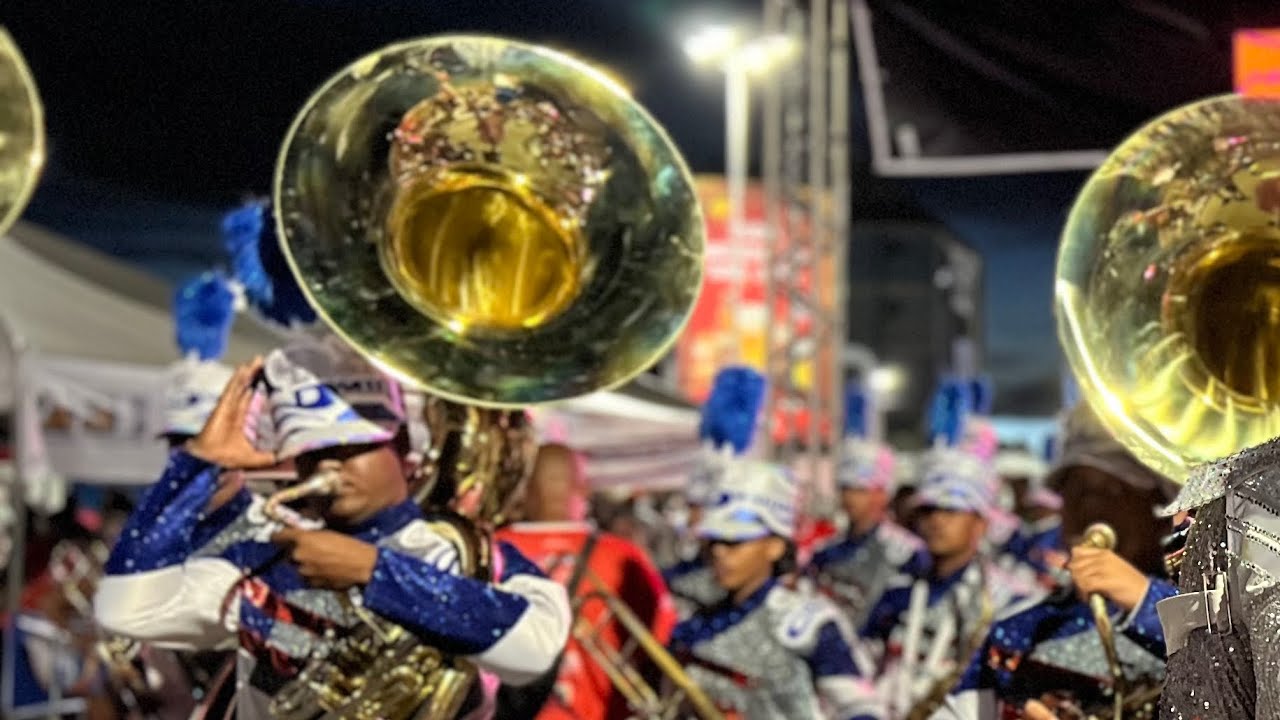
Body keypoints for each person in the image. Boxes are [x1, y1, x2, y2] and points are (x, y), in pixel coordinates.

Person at [93, 338, 571, 719]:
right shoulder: (266, 562)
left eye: (349, 446)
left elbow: (533, 652)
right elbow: (125, 610)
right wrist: (197, 464)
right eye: (313, 452)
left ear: (401, 444)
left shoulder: (474, 555)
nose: (330, 465)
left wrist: (374, 572)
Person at [940, 403, 1179, 718]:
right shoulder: (1017, 632)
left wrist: (1147, 602)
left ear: (1161, 509)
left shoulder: (1211, 616)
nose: (1087, 508)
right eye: (1073, 490)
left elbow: (1247, 674)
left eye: (1112, 490)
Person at [669, 459, 879, 720]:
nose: (719, 552)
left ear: (775, 546)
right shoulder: (695, 624)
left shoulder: (808, 622)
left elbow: (861, 708)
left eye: (734, 542)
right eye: (714, 542)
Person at [497, 443, 677, 720]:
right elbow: (661, 639)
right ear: (584, 490)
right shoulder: (624, 556)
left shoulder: (491, 548)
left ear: (526, 489)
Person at [858, 447, 1040, 719]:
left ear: (980, 522)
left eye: (951, 510)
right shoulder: (899, 589)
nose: (937, 520)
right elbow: (863, 662)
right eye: (928, 510)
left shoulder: (1008, 599)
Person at [810, 437, 928, 630]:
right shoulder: (825, 550)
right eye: (845, 487)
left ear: (882, 492)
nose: (849, 496)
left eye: (860, 489)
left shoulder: (908, 553)